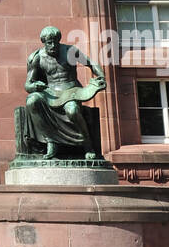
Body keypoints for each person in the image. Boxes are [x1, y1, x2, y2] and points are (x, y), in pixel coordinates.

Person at [22, 26, 107, 160]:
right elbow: (28, 84)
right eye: (49, 42)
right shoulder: (37, 58)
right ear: (44, 42)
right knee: (32, 101)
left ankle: (88, 144)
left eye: (55, 41)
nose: (53, 45)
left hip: (71, 90)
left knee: (72, 111)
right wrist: (34, 86)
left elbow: (91, 63)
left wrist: (101, 76)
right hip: (51, 93)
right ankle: (51, 141)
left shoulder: (70, 51)